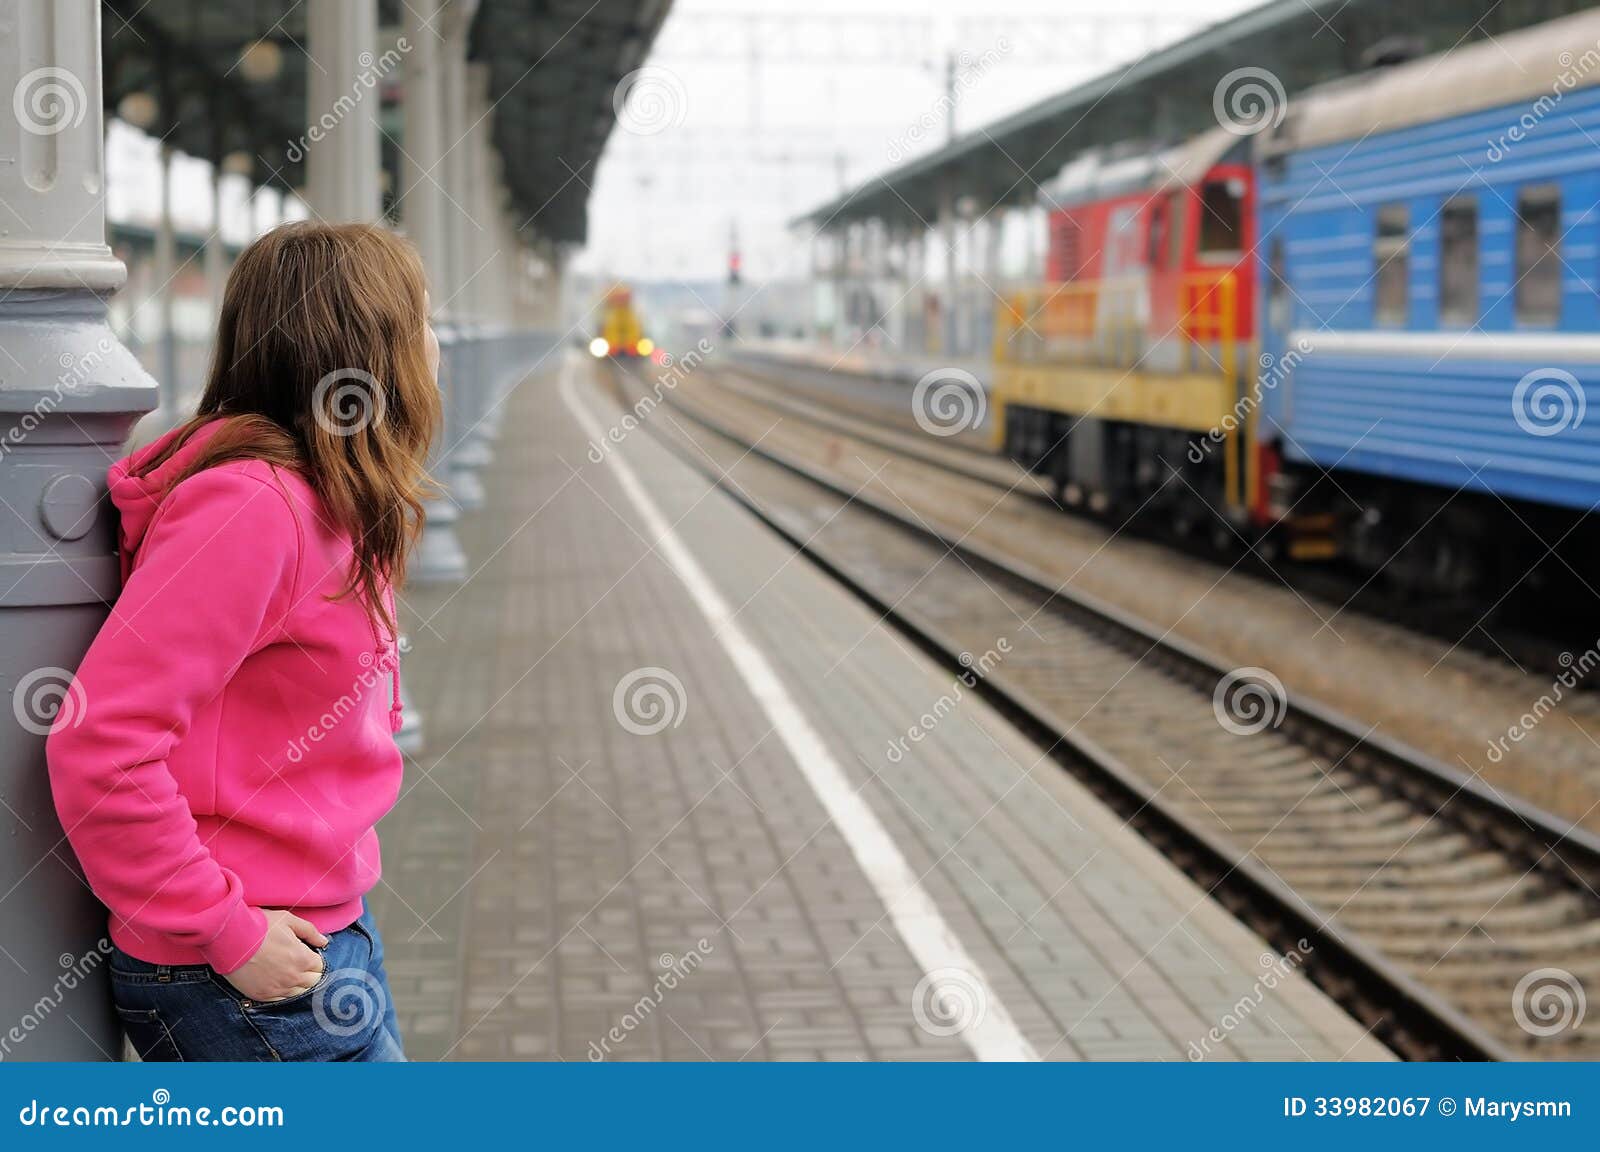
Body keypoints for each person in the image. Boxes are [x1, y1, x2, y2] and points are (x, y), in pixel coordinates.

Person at [46, 221, 441, 1062]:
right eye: (425, 323)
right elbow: (98, 738)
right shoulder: (253, 510)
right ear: (373, 350)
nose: (439, 347)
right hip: (240, 969)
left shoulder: (320, 496)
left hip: (319, 935)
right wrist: (223, 928)